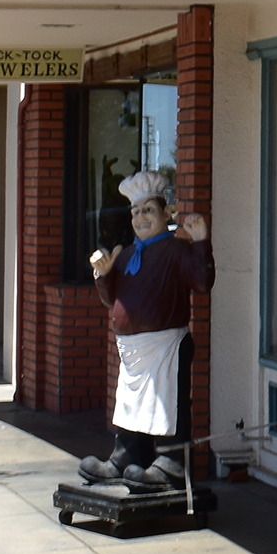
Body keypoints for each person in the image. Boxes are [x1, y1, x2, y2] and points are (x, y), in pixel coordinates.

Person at [77, 170, 214, 487]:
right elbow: (112, 300)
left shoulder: (177, 250)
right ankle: (127, 454)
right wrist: (104, 276)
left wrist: (201, 243)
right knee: (131, 403)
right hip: (133, 351)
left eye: (148, 210)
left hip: (166, 344)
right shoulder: (125, 256)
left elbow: (202, 281)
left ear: (166, 213)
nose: (140, 218)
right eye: (136, 212)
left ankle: (171, 460)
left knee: (169, 403)